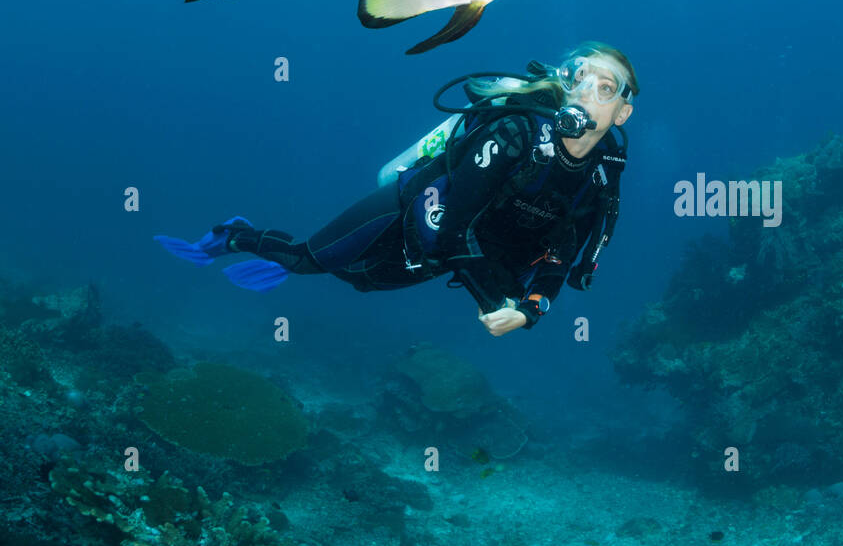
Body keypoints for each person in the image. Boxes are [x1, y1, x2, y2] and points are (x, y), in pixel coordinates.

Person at [155, 42, 638, 337]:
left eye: (605, 87)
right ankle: (233, 235)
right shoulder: (514, 134)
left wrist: (529, 313)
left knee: (359, 280)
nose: (583, 91)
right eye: (578, 75)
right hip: (410, 210)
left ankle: (265, 247)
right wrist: (494, 304)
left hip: (442, 254)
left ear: (622, 112)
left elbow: (560, 256)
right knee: (307, 261)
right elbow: (454, 228)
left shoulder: (600, 180)